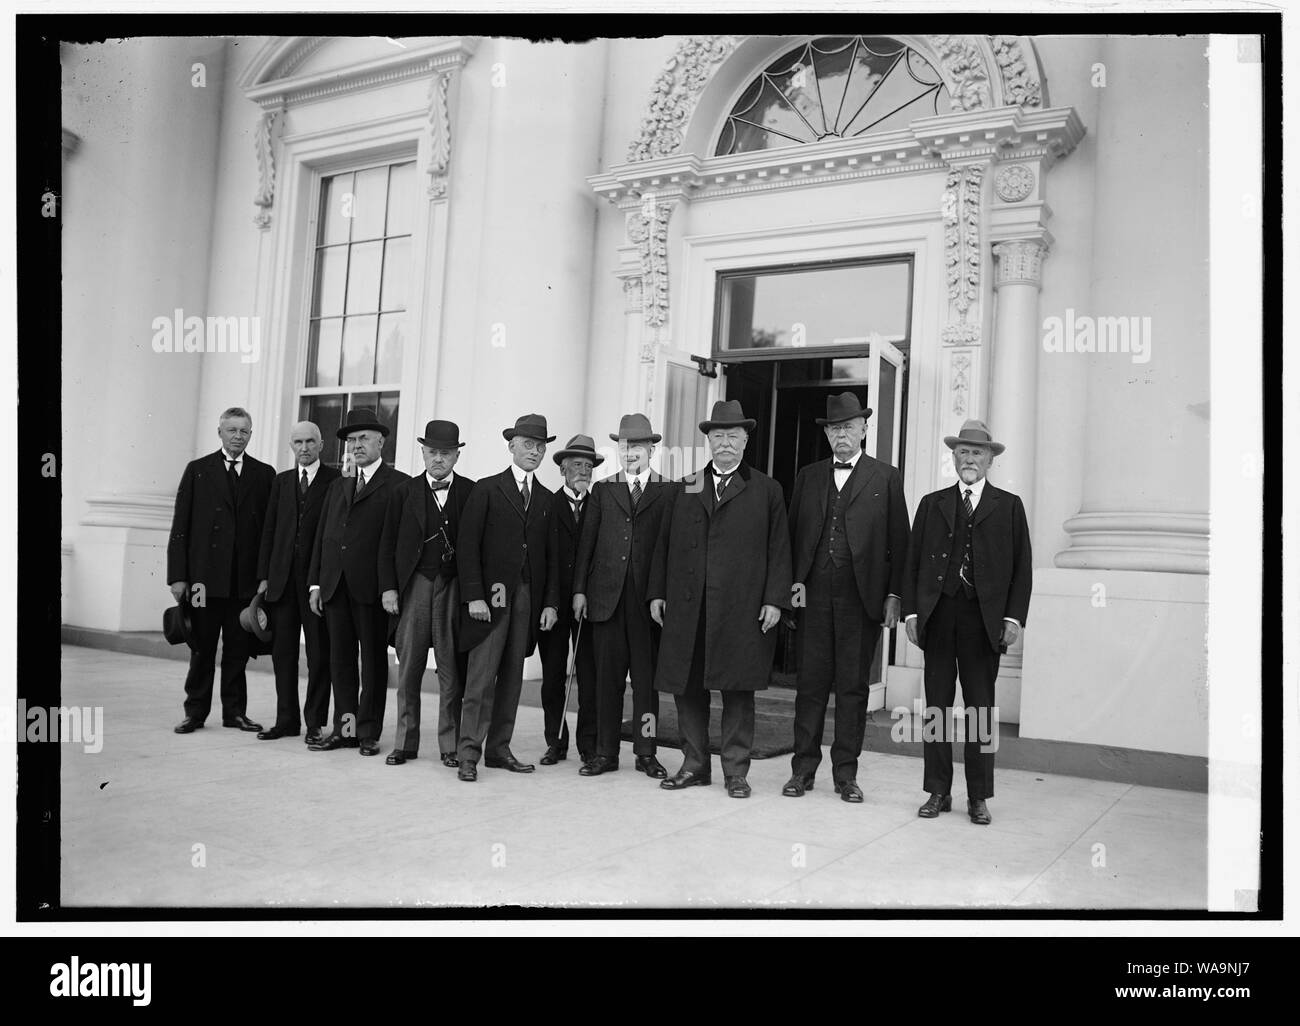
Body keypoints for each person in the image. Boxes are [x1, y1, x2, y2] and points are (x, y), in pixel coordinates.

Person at [649, 400, 792, 798]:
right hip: (688, 606)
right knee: (687, 688)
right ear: (708, 441)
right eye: (717, 436)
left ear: (746, 440)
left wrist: (775, 600)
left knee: (737, 690)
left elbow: (780, 549)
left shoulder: (767, 490)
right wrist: (657, 592)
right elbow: (664, 544)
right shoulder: (688, 485)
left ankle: (736, 773)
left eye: (732, 436)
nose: (725, 443)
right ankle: (694, 764)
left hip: (740, 608)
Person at [902, 419, 1032, 826]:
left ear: (990, 459)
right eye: (962, 452)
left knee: (979, 708)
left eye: (976, 452)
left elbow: (1022, 568)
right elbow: (912, 561)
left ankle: (978, 796)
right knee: (936, 708)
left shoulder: (1008, 506)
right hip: (939, 617)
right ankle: (937, 791)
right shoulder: (932, 503)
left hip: (984, 621)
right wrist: (912, 611)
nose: (968, 459)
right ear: (953, 457)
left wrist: (1012, 617)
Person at [784, 392, 909, 802]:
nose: (842, 434)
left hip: (861, 599)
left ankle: (846, 775)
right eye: (835, 428)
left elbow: (899, 544)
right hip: (813, 596)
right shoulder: (807, 475)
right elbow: (791, 538)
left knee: (853, 689)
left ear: (864, 430)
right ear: (826, 434)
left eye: (849, 427)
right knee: (811, 687)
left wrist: (894, 596)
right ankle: (802, 771)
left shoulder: (886, 478)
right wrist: (790, 589)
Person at [454, 413, 556, 782]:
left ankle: (499, 749)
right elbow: (467, 547)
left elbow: (551, 558)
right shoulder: (487, 489)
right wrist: (474, 597)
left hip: (527, 599)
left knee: (513, 676)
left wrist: (549, 603)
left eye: (541, 446)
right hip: (491, 600)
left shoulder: (546, 498)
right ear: (511, 446)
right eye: (527, 444)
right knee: (480, 678)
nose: (534, 451)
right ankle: (468, 752)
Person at [572, 413, 670, 779]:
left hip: (647, 604)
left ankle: (646, 753)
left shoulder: (668, 491)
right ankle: (605, 752)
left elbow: (669, 548)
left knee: (646, 685)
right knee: (607, 682)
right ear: (619, 449)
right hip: (605, 599)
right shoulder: (603, 489)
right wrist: (580, 590)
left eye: (640, 447)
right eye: (626, 446)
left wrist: (661, 593)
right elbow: (587, 544)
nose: (632, 453)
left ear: (652, 450)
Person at [307, 408, 409, 756]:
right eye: (352, 440)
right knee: (341, 662)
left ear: (381, 441)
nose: (356, 445)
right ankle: (345, 729)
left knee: (374, 664)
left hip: (373, 590)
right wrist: (316, 584)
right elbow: (325, 536)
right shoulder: (339, 485)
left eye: (363, 438)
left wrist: (391, 588)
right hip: (336, 587)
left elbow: (398, 543)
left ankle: (368, 732)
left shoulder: (399, 485)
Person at [168, 406, 275, 735]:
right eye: (232, 430)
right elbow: (181, 526)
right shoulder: (197, 470)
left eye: (244, 431)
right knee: (201, 646)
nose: (238, 437)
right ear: (220, 433)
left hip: (243, 583)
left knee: (238, 651)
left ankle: (235, 713)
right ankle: (195, 712)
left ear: (251, 435)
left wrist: (264, 576)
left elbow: (268, 531)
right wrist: (178, 576)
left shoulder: (264, 474)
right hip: (202, 581)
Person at [378, 420, 475, 768]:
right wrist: (389, 588)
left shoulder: (471, 492)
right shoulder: (402, 493)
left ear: (456, 456)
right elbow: (386, 544)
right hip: (414, 587)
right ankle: (405, 743)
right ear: (422, 452)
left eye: (446, 453)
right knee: (409, 670)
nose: (439, 459)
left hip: (453, 588)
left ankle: (449, 745)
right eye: (433, 452)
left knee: (450, 671)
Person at [255, 421, 340, 743]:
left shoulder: (336, 481)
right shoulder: (282, 482)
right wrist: (264, 577)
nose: (303, 448)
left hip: (316, 584)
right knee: (284, 655)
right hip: (281, 582)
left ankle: (315, 722)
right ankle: (286, 721)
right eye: (297, 442)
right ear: (291, 446)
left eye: (309, 442)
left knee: (319, 656)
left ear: (321, 445)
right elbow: (269, 531)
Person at [537, 434, 600, 768]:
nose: (583, 471)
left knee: (588, 676)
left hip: (588, 605)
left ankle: (588, 746)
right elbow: (544, 559)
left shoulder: (600, 504)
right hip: (555, 605)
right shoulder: (548, 504)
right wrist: (550, 603)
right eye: (577, 464)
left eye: (588, 466)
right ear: (562, 469)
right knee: (552, 677)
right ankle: (555, 742)